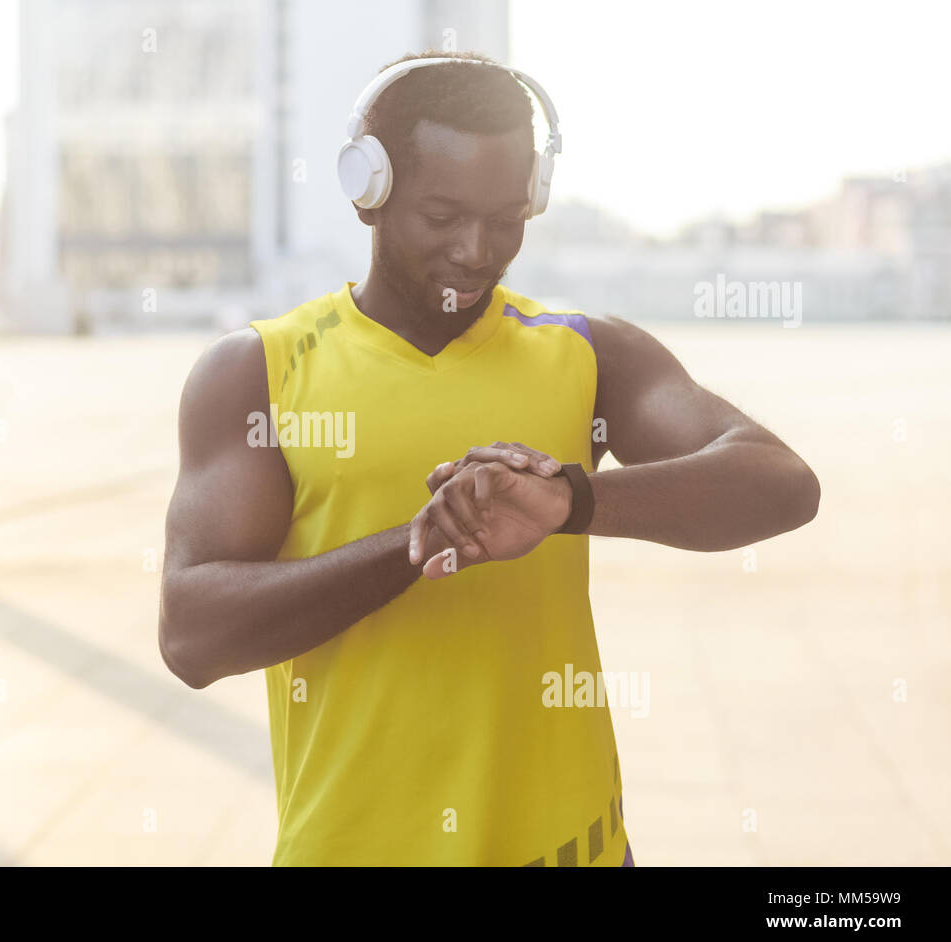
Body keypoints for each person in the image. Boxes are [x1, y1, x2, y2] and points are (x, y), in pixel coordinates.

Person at [158, 50, 820, 866]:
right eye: (442, 216)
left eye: (507, 218)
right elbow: (191, 636)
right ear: (370, 190)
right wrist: (417, 547)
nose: (478, 249)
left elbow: (783, 484)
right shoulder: (259, 372)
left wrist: (571, 502)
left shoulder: (587, 355)